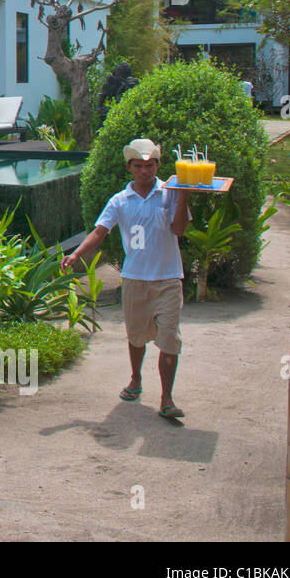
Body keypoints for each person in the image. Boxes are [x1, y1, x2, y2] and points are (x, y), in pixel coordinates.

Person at [61, 138, 192, 420]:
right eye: (139, 166)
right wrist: (76, 256)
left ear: (158, 165)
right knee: (136, 336)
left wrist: (184, 196)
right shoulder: (120, 201)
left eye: (150, 165)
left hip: (168, 278)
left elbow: (179, 230)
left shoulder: (170, 194)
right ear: (129, 168)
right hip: (134, 278)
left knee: (169, 338)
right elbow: (99, 232)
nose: (145, 171)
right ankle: (136, 378)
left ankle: (167, 398)